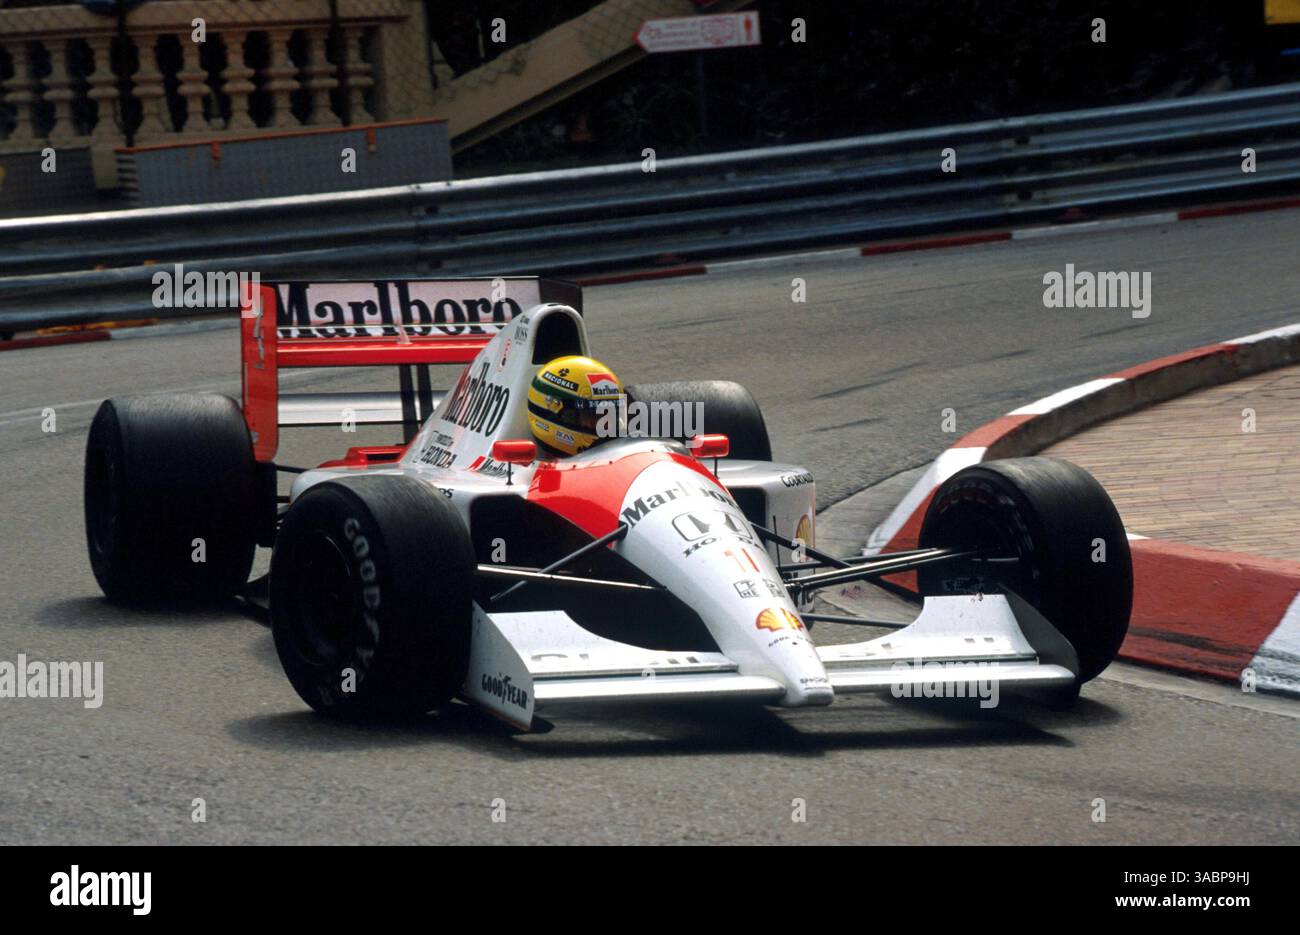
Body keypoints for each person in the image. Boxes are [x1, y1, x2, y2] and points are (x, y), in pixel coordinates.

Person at [526, 355, 623, 456]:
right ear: (557, 415)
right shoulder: (521, 470)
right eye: (593, 415)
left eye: (611, 414)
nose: (606, 424)